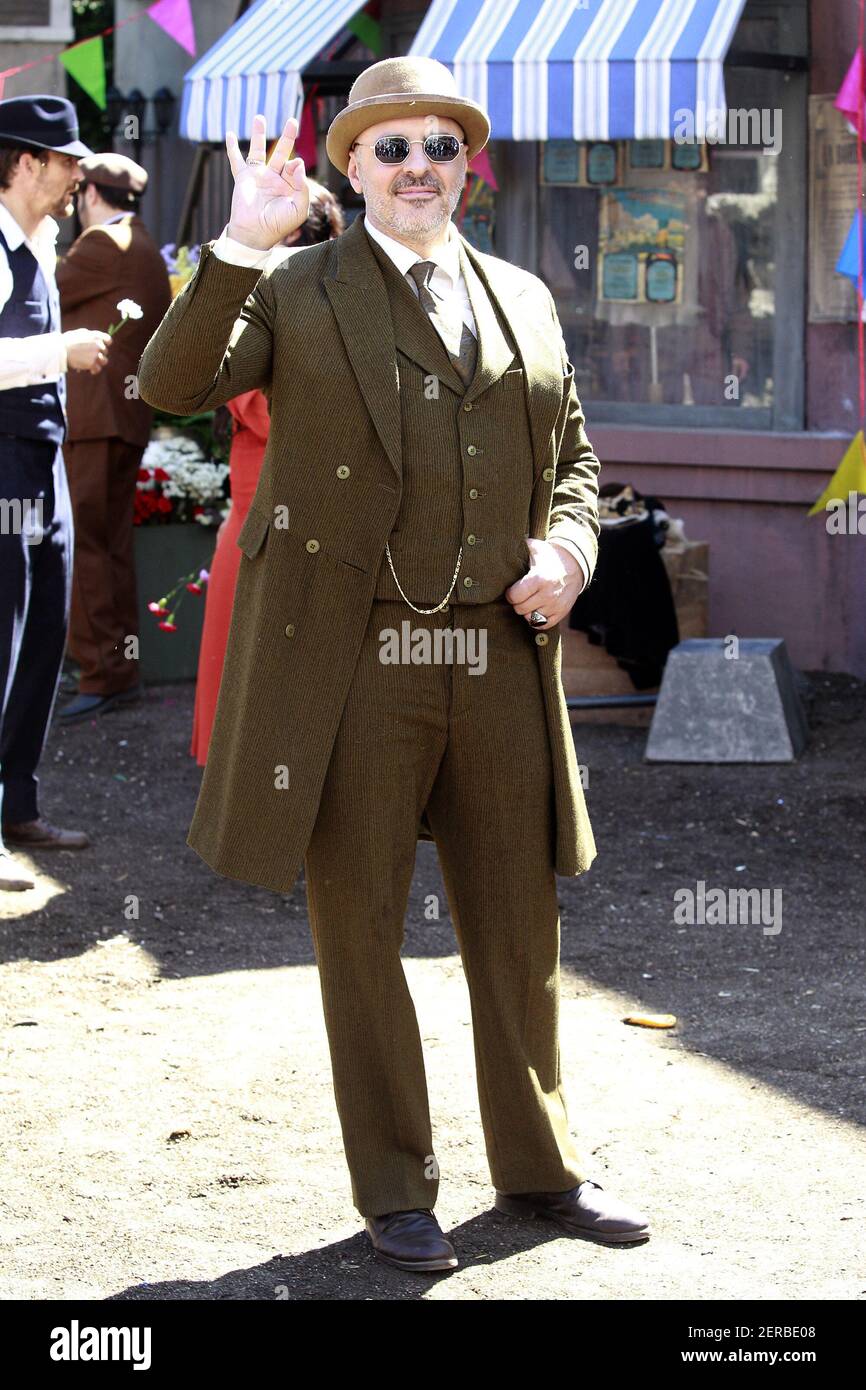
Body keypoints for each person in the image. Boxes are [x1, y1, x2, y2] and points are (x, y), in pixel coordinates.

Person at [138, 56, 650, 1274]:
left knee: (518, 926)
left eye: (439, 147)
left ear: (465, 166)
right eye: (391, 148)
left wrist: (569, 549)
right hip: (353, 658)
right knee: (359, 926)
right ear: (350, 168)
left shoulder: (523, 293)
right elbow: (170, 386)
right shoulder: (296, 286)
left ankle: (539, 1168)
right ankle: (395, 1187)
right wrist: (237, 250)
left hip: (496, 653)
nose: (418, 167)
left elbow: (574, 458)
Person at [191, 179, 344, 766]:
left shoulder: (339, 303)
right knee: (246, 667)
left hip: (324, 516)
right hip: (262, 515)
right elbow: (261, 405)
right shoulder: (242, 303)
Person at [0, 95, 111, 893]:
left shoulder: (39, 244)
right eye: (67, 158)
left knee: (42, 635)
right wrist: (60, 348)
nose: (80, 173)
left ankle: (18, 805)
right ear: (25, 162)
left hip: (39, 461)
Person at [56, 152, 172, 721]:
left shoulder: (103, 243)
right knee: (109, 545)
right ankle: (114, 670)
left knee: (89, 547)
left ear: (90, 196)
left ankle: (102, 673)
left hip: (95, 418)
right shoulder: (143, 244)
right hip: (119, 419)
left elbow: (36, 288)